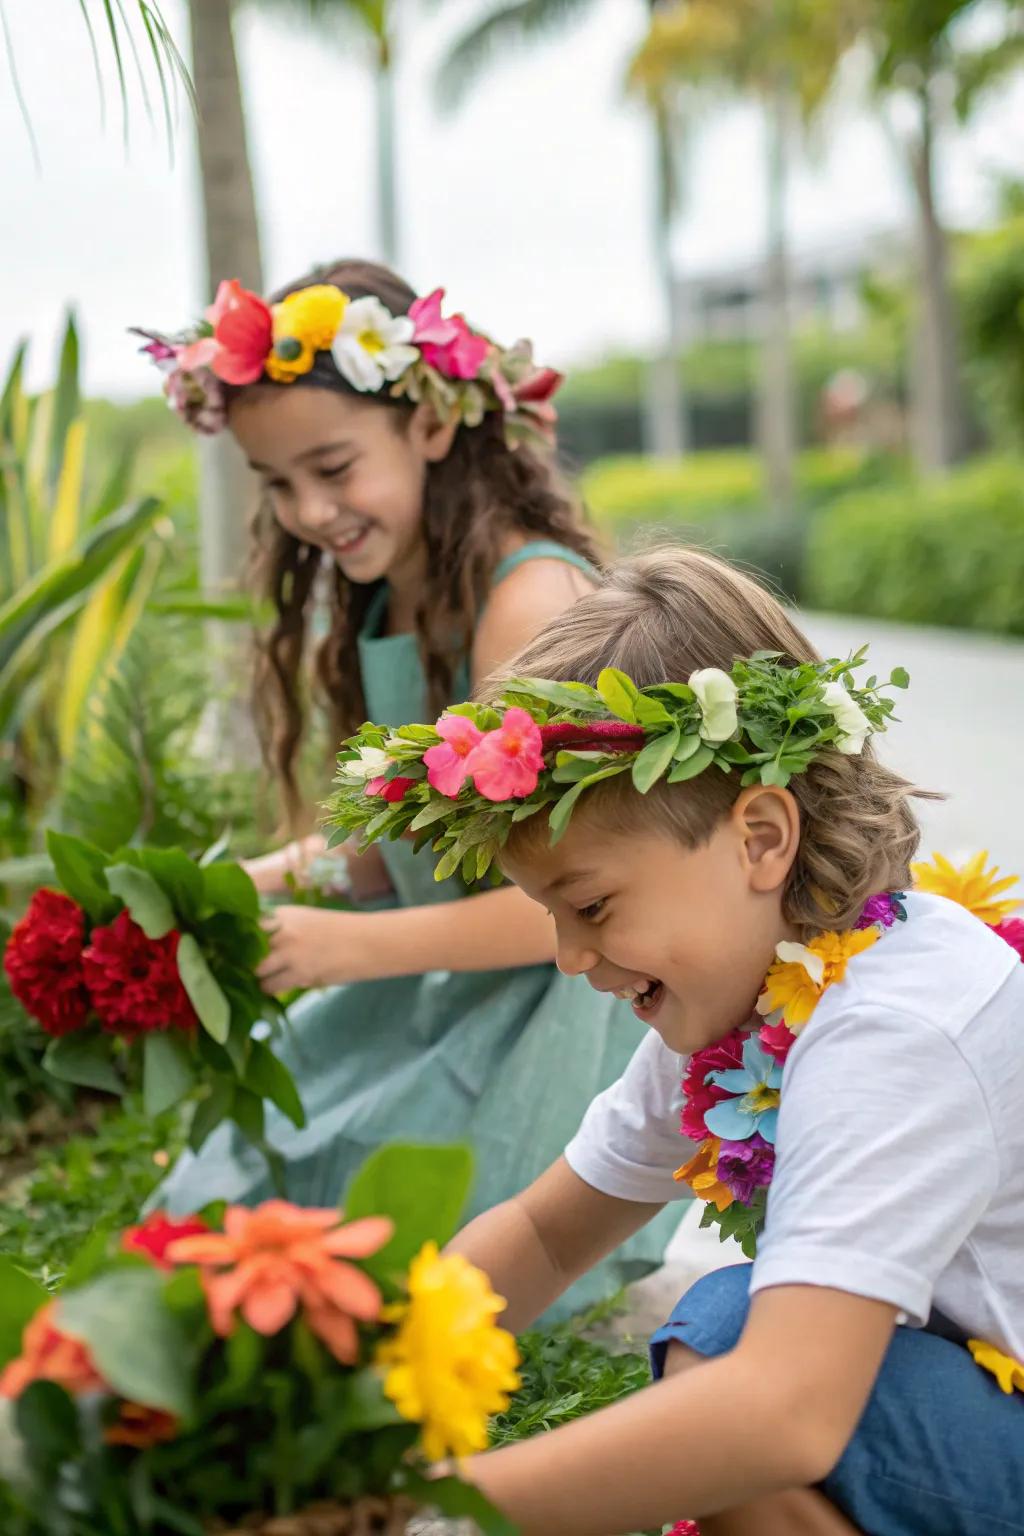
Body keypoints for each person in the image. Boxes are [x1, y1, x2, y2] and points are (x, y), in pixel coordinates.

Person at [329, 547, 1024, 1536]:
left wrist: (420, 1513)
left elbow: (783, 1413)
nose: (569, 956)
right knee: (730, 1338)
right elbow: (545, 1232)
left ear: (758, 839)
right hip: (959, 1403)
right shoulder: (752, 1001)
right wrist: (356, 1405)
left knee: (732, 1345)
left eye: (592, 905)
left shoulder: (894, 1032)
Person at [135, 261, 678, 1311]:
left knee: (382, 1266)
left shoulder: (528, 604)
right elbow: (416, 845)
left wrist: (350, 950)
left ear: (429, 425)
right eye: (278, 484)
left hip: (549, 1005)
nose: (309, 512)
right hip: (440, 986)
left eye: (334, 467)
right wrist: (257, 881)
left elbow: (574, 902)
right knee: (230, 1201)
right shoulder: (386, 605)